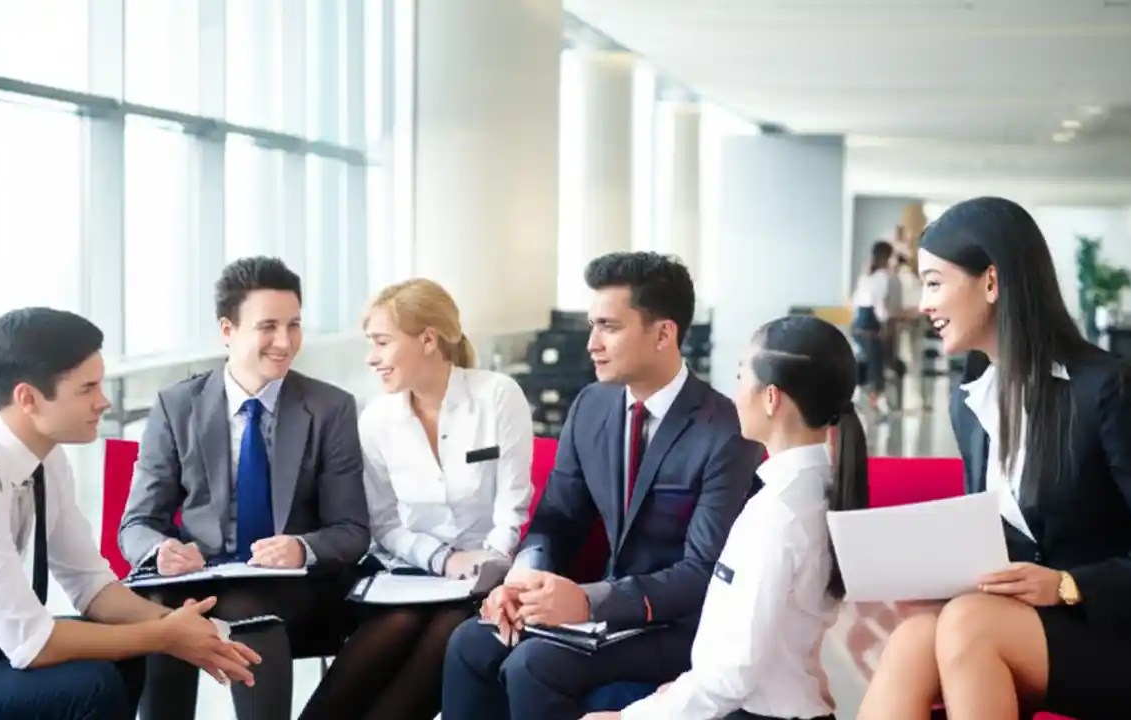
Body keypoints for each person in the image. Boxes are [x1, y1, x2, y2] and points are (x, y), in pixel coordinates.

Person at [856, 197, 1131, 720]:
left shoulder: (1104, 389)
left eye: (935, 283)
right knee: (917, 635)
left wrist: (1069, 586)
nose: (924, 305)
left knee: (968, 624)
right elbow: (997, 539)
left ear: (991, 281)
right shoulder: (971, 400)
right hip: (1027, 627)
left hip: (1127, 633)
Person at [441, 252, 764, 720]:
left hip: (680, 623)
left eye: (609, 327)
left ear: (663, 334)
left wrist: (589, 600)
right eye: (593, 325)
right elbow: (558, 517)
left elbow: (703, 572)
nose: (592, 343)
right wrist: (524, 579)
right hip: (606, 611)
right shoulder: (592, 405)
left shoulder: (725, 430)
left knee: (534, 663)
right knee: (472, 641)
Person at [0, 308, 261, 719]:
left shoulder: (45, 460)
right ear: (28, 398)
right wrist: (163, 635)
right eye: (87, 388)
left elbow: (91, 587)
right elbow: (32, 643)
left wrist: (181, 624)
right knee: (90, 685)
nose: (103, 401)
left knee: (123, 653)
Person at [119, 256, 369, 720]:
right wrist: (160, 551)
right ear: (227, 330)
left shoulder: (330, 408)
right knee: (162, 614)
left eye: (294, 325)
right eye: (268, 326)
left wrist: (302, 547)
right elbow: (137, 523)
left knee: (252, 616)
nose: (284, 341)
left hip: (293, 590)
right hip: (200, 578)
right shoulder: (177, 407)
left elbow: (352, 529)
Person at [586, 314, 867, 720]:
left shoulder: (777, 515)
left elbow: (733, 674)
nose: (734, 394)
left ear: (771, 398)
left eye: (740, 377)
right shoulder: (818, 491)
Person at [301, 278, 534, 720]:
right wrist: (444, 559)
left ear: (428, 339)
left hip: (486, 579)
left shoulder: (498, 396)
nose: (372, 358)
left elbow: (513, 506)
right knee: (395, 625)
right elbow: (383, 523)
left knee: (448, 630)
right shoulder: (377, 419)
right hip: (410, 574)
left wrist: (486, 565)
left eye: (382, 342)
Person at [851, 240, 896, 414]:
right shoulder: (883, 276)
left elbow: (856, 301)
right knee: (876, 364)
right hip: (871, 322)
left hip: (859, 321)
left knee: (864, 361)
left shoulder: (865, 275)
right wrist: (885, 324)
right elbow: (880, 304)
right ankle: (879, 402)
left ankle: (858, 398)